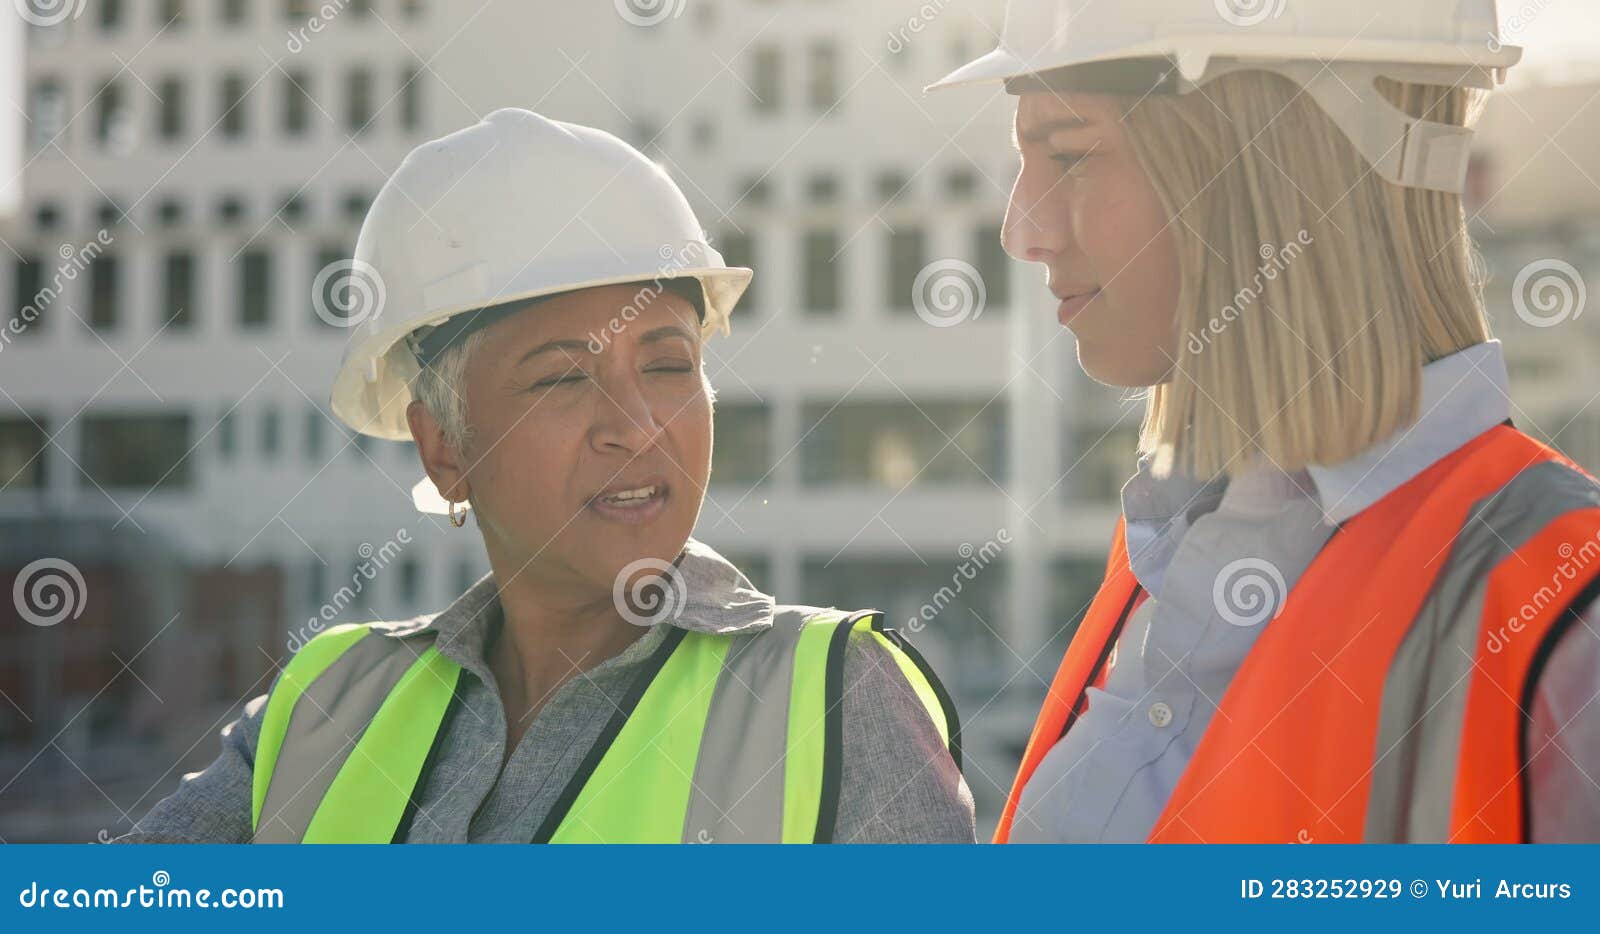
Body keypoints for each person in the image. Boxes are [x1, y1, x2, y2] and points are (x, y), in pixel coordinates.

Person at [117, 109, 974, 844]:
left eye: (669, 365)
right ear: (445, 447)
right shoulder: (324, 705)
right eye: (563, 378)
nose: (636, 427)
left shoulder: (838, 698)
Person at [928, 0, 1600, 843]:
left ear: (1279, 165)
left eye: (1071, 155)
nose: (1023, 230)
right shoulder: (1167, 555)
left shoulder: (1566, 609)